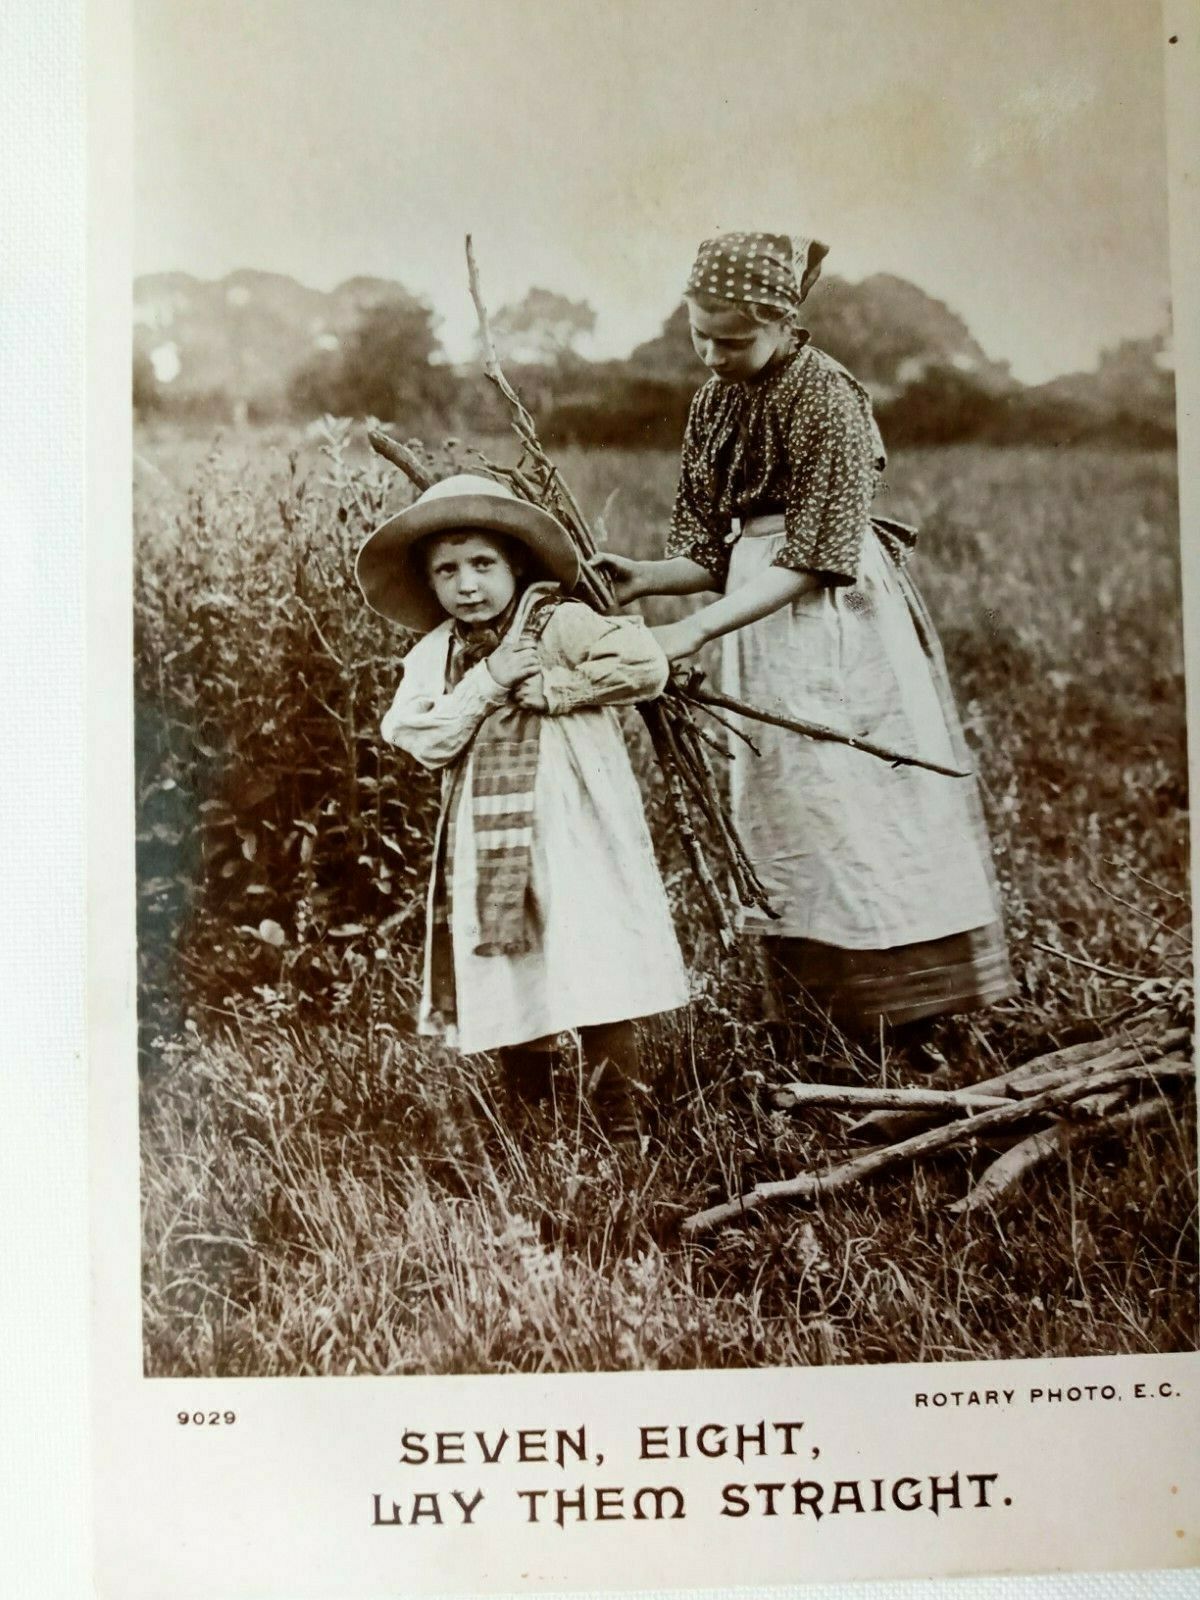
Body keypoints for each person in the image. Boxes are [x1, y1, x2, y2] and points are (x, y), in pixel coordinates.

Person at [593, 232, 1015, 1062]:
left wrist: (695, 627)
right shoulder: (713, 402)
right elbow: (711, 550)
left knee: (855, 793)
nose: (713, 355)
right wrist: (644, 577)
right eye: (700, 336)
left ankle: (910, 1016)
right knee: (786, 803)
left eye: (732, 340)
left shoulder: (828, 396)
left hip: (839, 622)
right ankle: (822, 1016)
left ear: (783, 321)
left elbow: (819, 555)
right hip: (759, 619)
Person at [356, 472, 688, 1152]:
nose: (467, 585)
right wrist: (488, 682)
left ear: (514, 564)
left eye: (483, 564)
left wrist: (562, 686)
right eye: (447, 571)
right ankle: (533, 1121)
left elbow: (645, 666)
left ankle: (619, 1122)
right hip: (491, 842)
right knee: (513, 960)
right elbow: (419, 735)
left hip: (575, 827)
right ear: (429, 582)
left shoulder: (559, 622)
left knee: (592, 948)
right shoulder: (437, 653)